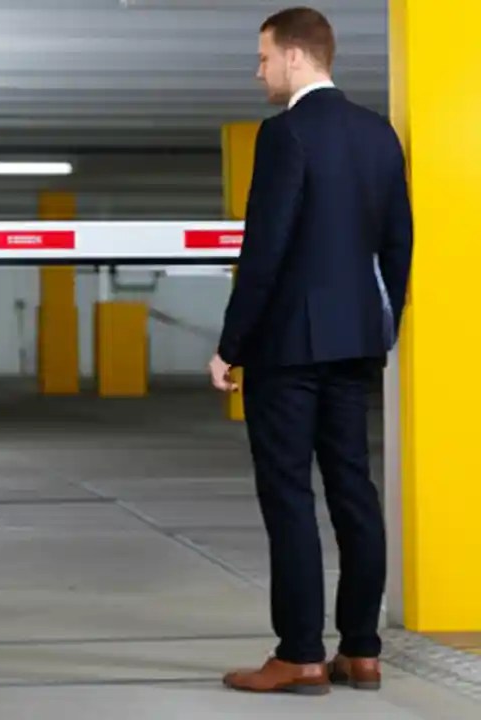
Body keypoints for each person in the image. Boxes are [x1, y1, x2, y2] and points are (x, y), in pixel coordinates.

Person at [209, 7, 413, 695]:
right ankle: (361, 651)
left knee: (290, 495)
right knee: (354, 490)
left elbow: (262, 251)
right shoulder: (380, 135)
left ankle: (298, 653)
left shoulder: (285, 134)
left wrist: (230, 345)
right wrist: (378, 328)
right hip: (356, 343)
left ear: (296, 57)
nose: (258, 70)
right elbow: (398, 247)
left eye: (263, 57)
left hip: (288, 350)